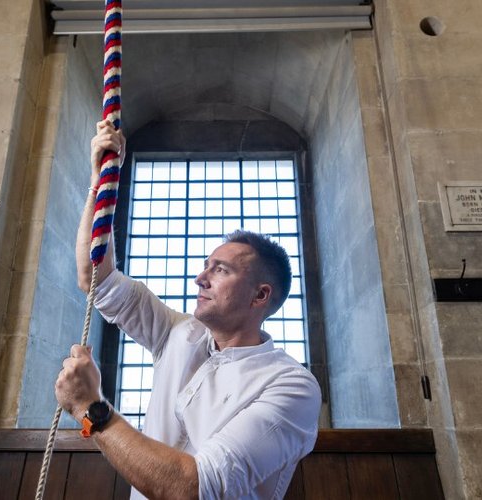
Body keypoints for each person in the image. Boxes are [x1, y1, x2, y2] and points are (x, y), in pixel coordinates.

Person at [55, 119, 321, 499]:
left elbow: (193, 488)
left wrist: (90, 407)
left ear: (260, 296)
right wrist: (101, 181)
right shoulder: (177, 332)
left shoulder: (291, 386)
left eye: (221, 270)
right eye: (205, 266)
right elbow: (94, 278)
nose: (200, 278)